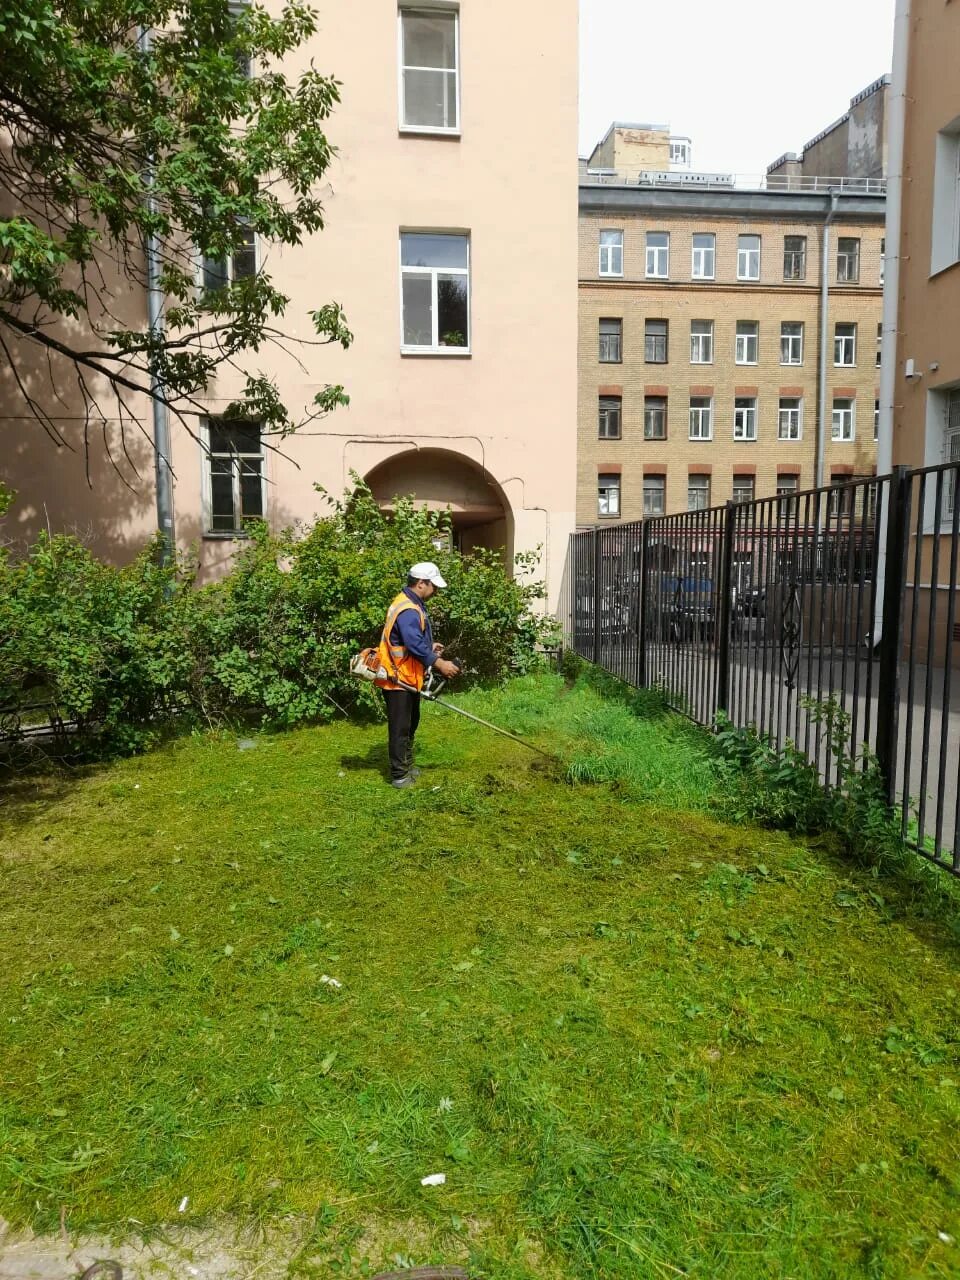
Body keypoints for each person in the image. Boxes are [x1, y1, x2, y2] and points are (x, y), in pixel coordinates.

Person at [375, 562, 461, 788]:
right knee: (400, 728)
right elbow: (412, 643)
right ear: (421, 583)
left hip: (408, 676)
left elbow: (407, 640)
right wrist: (440, 663)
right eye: (434, 586)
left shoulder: (411, 603)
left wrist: (429, 646)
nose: (436, 591)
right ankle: (399, 775)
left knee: (411, 724)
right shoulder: (409, 609)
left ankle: (406, 765)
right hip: (397, 678)